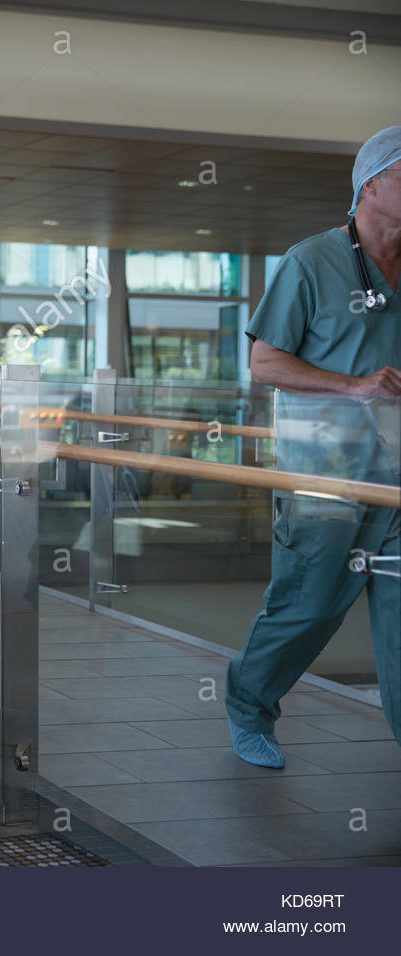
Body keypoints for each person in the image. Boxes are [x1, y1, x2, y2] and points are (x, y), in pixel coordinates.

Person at [226, 126, 401, 767]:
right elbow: (266, 362)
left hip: (398, 483)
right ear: (370, 184)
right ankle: (249, 706)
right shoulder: (312, 261)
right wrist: (355, 386)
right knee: (306, 610)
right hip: (327, 478)